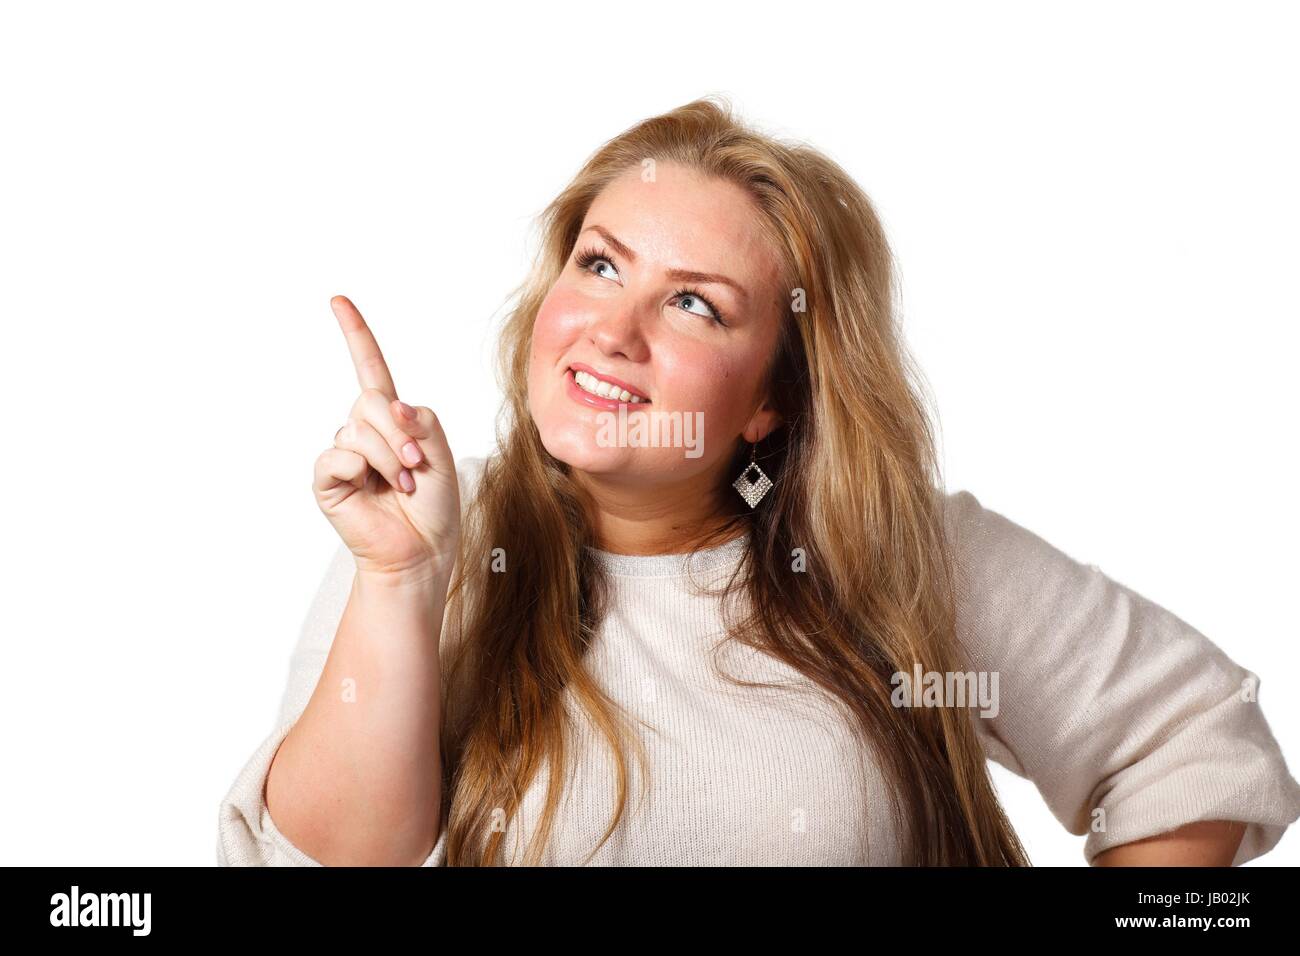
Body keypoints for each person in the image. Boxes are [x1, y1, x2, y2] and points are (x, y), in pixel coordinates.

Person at [217, 96, 1300, 866]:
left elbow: (1193, 732)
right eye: (599, 264)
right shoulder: (425, 536)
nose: (611, 331)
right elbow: (335, 862)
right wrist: (401, 577)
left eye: (694, 303)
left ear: (770, 396)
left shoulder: (884, 547)